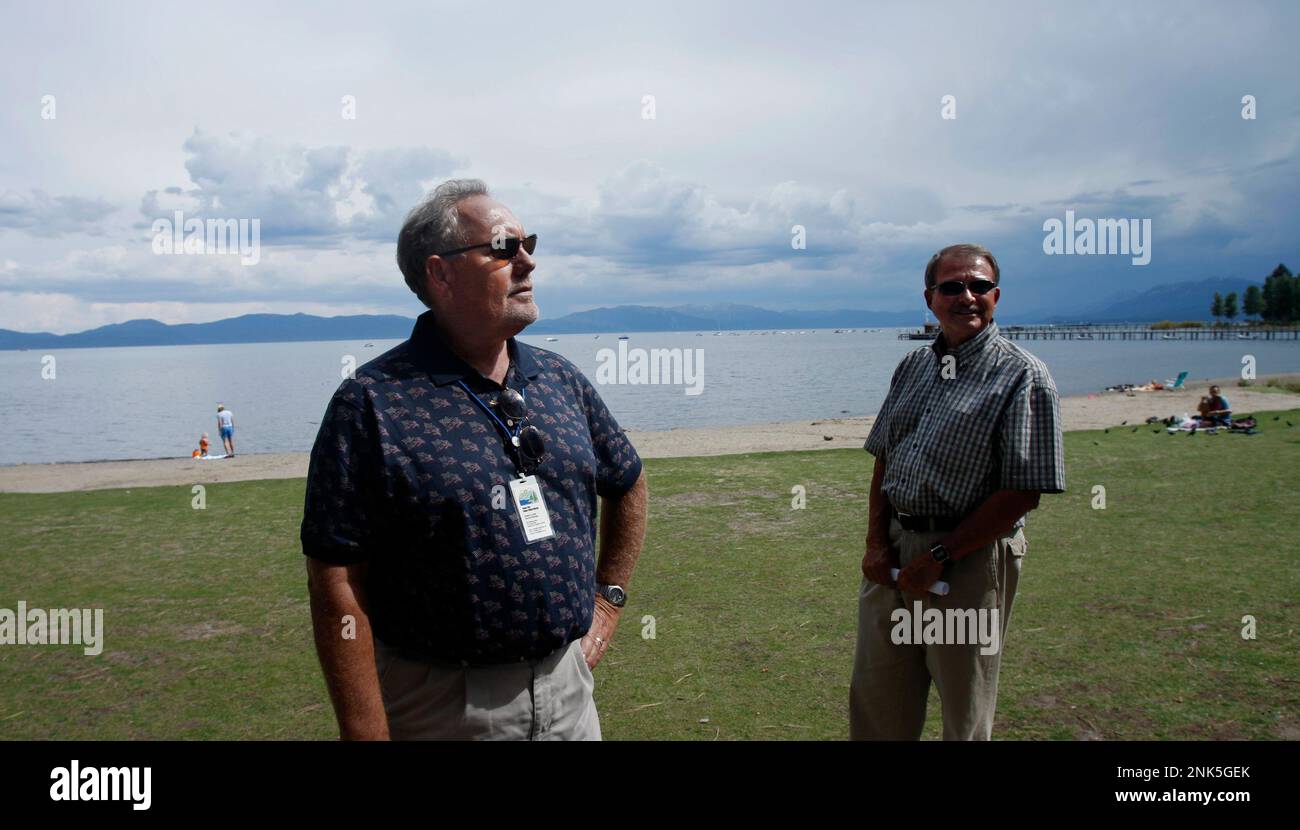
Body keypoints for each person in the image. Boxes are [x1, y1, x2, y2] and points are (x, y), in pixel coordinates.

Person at [301, 179, 648, 741]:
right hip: (443, 707)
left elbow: (628, 480)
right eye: (505, 247)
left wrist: (607, 601)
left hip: (569, 694)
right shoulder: (373, 401)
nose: (529, 262)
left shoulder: (560, 379)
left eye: (528, 243)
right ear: (440, 274)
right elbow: (335, 574)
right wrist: (364, 731)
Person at [851, 243, 1066, 740]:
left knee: (963, 711)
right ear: (930, 298)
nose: (966, 296)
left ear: (996, 297)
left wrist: (941, 555)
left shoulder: (1023, 375)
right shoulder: (913, 366)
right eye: (952, 287)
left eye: (978, 287)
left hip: (968, 561)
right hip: (894, 551)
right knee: (877, 700)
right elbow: (885, 456)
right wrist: (875, 543)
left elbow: (1022, 491)